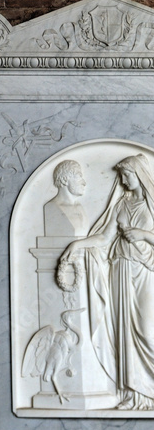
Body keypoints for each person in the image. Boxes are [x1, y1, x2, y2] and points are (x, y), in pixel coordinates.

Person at [60, 154, 154, 410]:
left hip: (147, 272)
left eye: (127, 175)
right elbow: (104, 237)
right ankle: (135, 394)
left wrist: (144, 234)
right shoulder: (122, 205)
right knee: (124, 331)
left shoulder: (152, 204)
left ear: (140, 175)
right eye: (122, 176)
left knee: (147, 331)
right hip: (121, 270)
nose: (123, 181)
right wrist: (78, 243)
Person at [43, 159, 87, 237]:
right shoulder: (51, 207)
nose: (84, 183)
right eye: (79, 176)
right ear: (64, 179)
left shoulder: (80, 207)